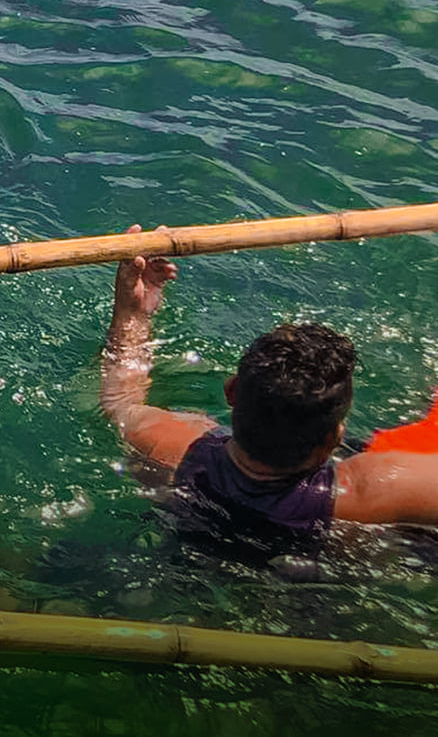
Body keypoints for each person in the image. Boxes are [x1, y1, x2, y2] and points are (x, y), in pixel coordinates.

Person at [100, 225, 438, 560]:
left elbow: (120, 399)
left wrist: (133, 312)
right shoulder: (371, 493)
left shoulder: (170, 447)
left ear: (231, 392)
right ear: (334, 438)